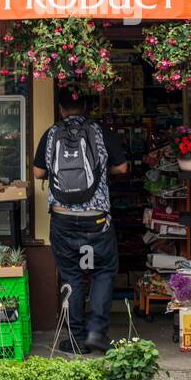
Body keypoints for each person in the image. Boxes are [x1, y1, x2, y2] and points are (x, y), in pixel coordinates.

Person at [32, 88, 129, 353]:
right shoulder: (100, 131)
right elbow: (122, 168)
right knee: (103, 272)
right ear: (85, 107)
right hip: (96, 219)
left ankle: (75, 337)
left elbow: (39, 172)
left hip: (63, 218)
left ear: (61, 109)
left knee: (71, 274)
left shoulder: (51, 134)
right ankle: (96, 332)